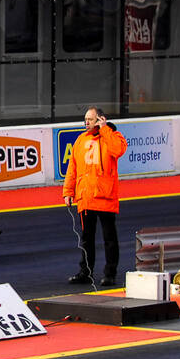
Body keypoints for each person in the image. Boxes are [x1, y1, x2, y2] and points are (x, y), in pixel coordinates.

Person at [63, 106, 128, 287]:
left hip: (105, 196)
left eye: (90, 120)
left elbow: (118, 151)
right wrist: (68, 192)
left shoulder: (113, 136)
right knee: (86, 239)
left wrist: (105, 129)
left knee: (109, 239)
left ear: (100, 119)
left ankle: (110, 273)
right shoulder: (80, 140)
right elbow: (72, 168)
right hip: (85, 198)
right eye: (85, 119)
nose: (86, 123)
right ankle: (86, 272)